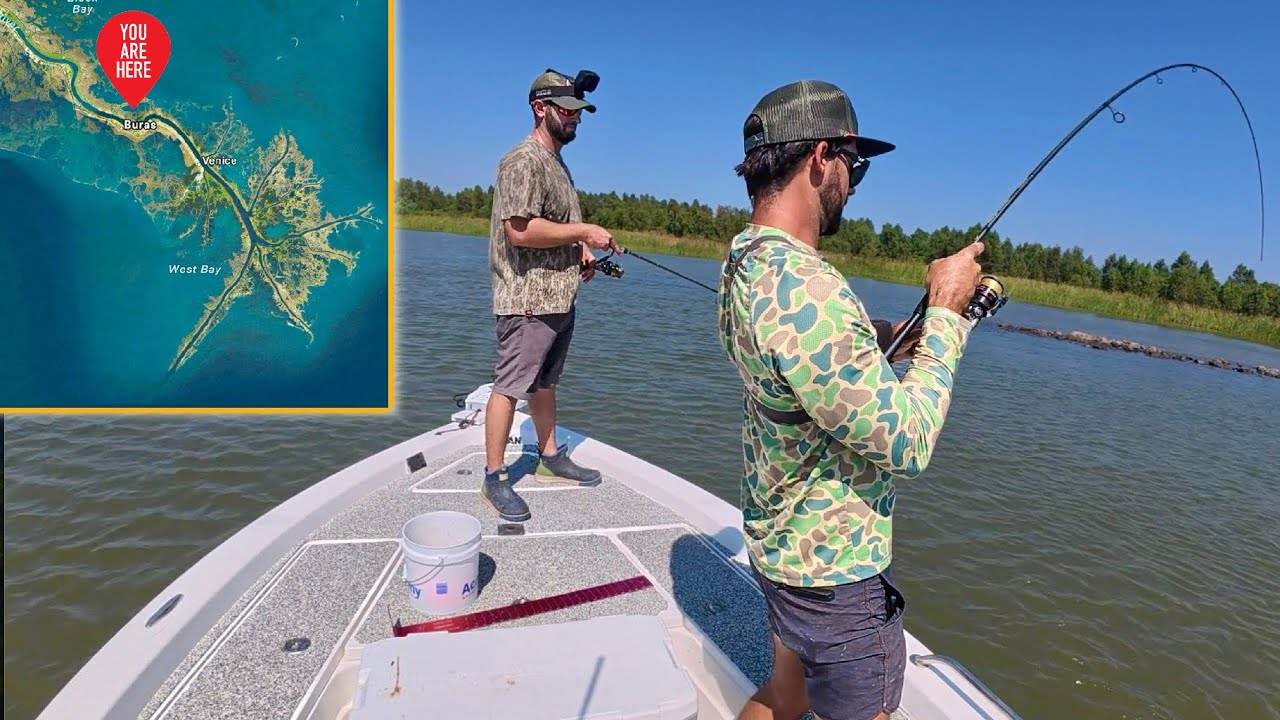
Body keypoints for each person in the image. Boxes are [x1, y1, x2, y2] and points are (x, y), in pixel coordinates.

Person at [716, 80, 986, 720]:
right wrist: (946, 315)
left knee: (783, 695)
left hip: (777, 544)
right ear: (818, 157)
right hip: (835, 577)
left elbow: (813, 359)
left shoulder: (746, 262)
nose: (855, 181)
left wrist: (892, 335)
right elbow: (909, 443)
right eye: (852, 164)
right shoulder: (810, 289)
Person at [481, 68, 621, 522]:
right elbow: (519, 230)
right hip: (527, 300)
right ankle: (495, 476)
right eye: (567, 110)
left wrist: (579, 249)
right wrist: (584, 230)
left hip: (559, 299)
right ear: (539, 109)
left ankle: (549, 455)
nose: (575, 119)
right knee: (510, 387)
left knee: (545, 383)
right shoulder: (522, 160)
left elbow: (551, 223)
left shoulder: (556, 163)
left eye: (579, 112)